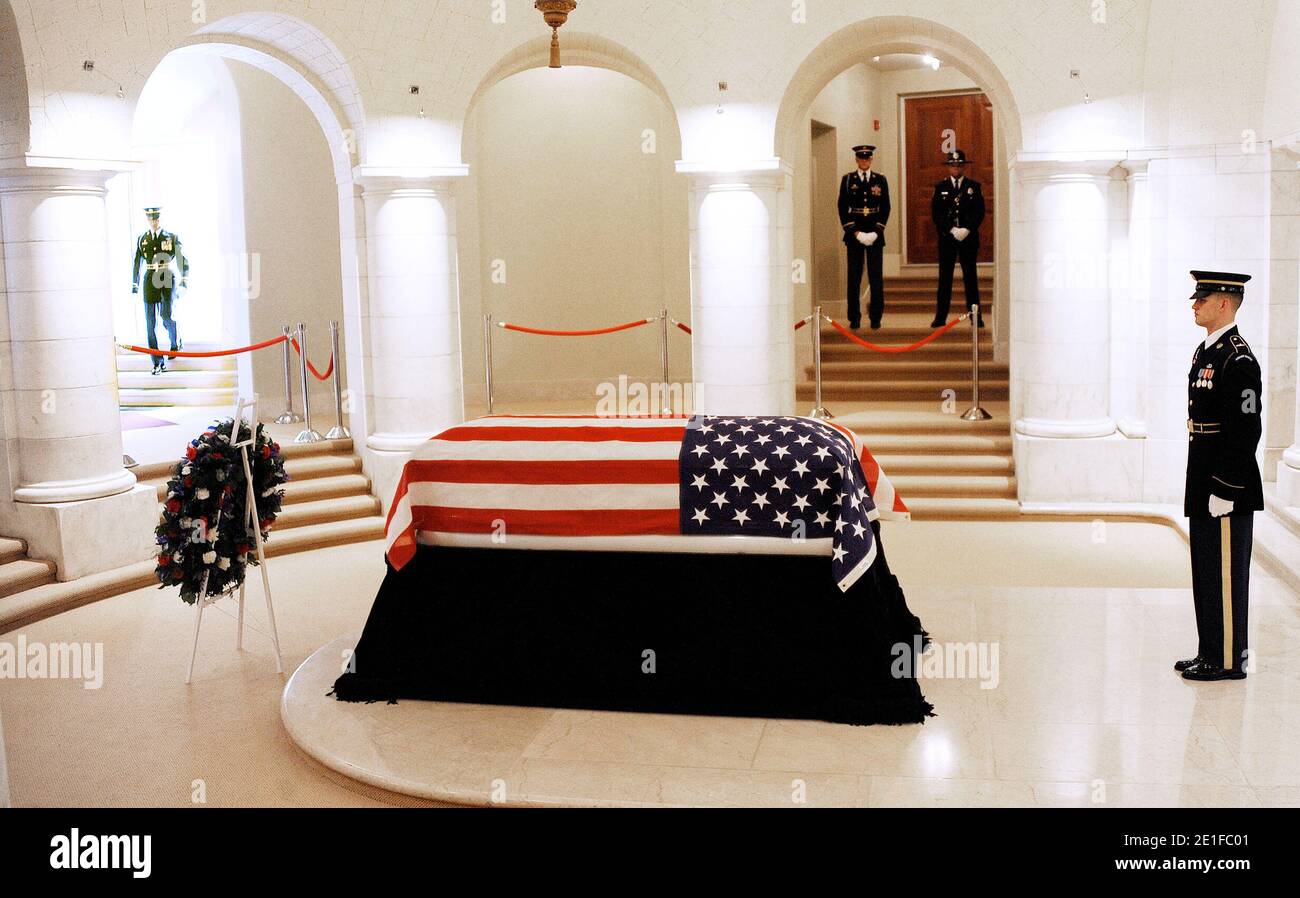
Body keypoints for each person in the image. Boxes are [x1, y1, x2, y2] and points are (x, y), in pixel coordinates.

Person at [1178, 270, 1262, 681]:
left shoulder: (1238, 359)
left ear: (1224, 303)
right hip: (1203, 472)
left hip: (1228, 483)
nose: (1194, 304)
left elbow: (1247, 430)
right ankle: (1209, 650)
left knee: (1227, 573)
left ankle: (1230, 659)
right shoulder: (1206, 351)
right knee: (1207, 570)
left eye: (1202, 298)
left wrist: (1227, 488)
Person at [837, 144, 891, 330]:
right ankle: (854, 317)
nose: (864, 161)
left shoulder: (880, 180)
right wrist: (856, 232)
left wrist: (877, 231)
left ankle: (876, 317)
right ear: (856, 160)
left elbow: (886, 207)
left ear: (871, 160)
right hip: (855, 234)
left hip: (875, 233)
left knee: (876, 278)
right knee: (854, 277)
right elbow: (842, 208)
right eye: (861, 158)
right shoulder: (847, 180)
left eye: (867, 158)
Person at [930, 150, 985, 328]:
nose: (955, 168)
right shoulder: (941, 187)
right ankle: (940, 317)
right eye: (952, 165)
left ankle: (976, 317)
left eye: (959, 165)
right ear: (949, 167)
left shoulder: (973, 187)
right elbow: (936, 214)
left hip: (968, 239)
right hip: (948, 238)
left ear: (963, 167)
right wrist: (952, 229)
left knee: (970, 278)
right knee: (945, 278)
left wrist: (967, 229)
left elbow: (979, 212)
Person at [131, 206, 189, 374]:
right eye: (150, 219)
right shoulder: (142, 239)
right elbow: (137, 261)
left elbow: (180, 258)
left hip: (166, 277)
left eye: (156, 218)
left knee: (166, 315)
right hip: (149, 279)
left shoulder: (170, 237)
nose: (153, 222)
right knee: (150, 323)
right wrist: (134, 283)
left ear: (160, 219)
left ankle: (175, 338)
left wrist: (184, 280)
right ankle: (157, 361)